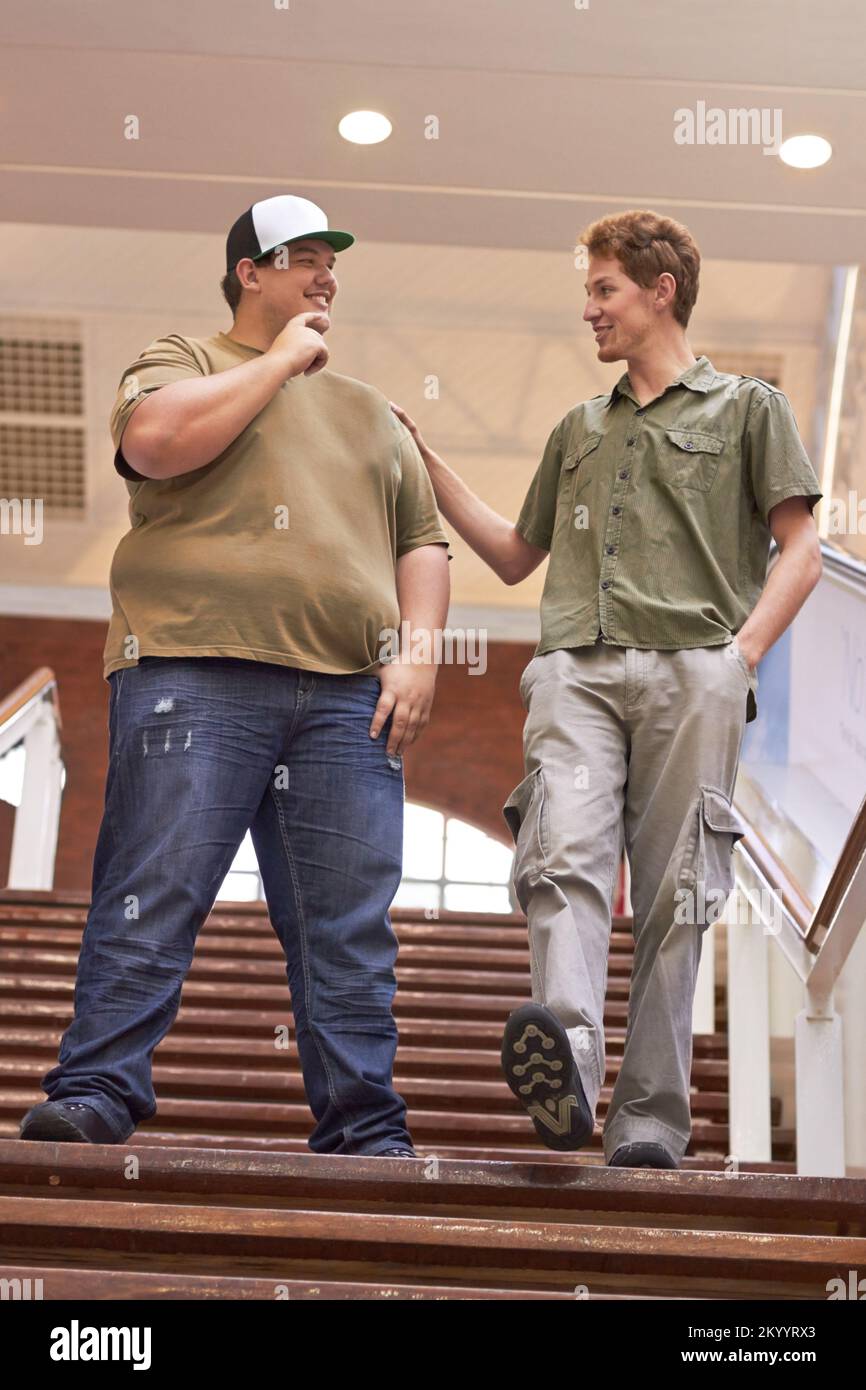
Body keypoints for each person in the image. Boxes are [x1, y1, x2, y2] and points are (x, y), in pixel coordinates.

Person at [390, 209, 823, 1169]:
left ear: (660, 290)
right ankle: (571, 1065)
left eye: (603, 291)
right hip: (574, 671)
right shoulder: (577, 429)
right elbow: (513, 555)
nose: (589, 311)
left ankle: (652, 1120)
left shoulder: (749, 409)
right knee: (561, 861)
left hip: (695, 669)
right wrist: (426, 462)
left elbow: (803, 550)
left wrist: (740, 657)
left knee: (677, 891)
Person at [20, 194, 451, 1157]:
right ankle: (96, 1091)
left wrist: (417, 654)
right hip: (193, 671)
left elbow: (422, 544)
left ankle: (365, 1128)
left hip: (348, 695)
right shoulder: (183, 361)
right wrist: (281, 362)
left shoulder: (370, 414)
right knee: (153, 886)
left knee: (349, 924)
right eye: (300, 257)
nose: (324, 273)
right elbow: (156, 444)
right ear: (248, 273)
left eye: (331, 259)